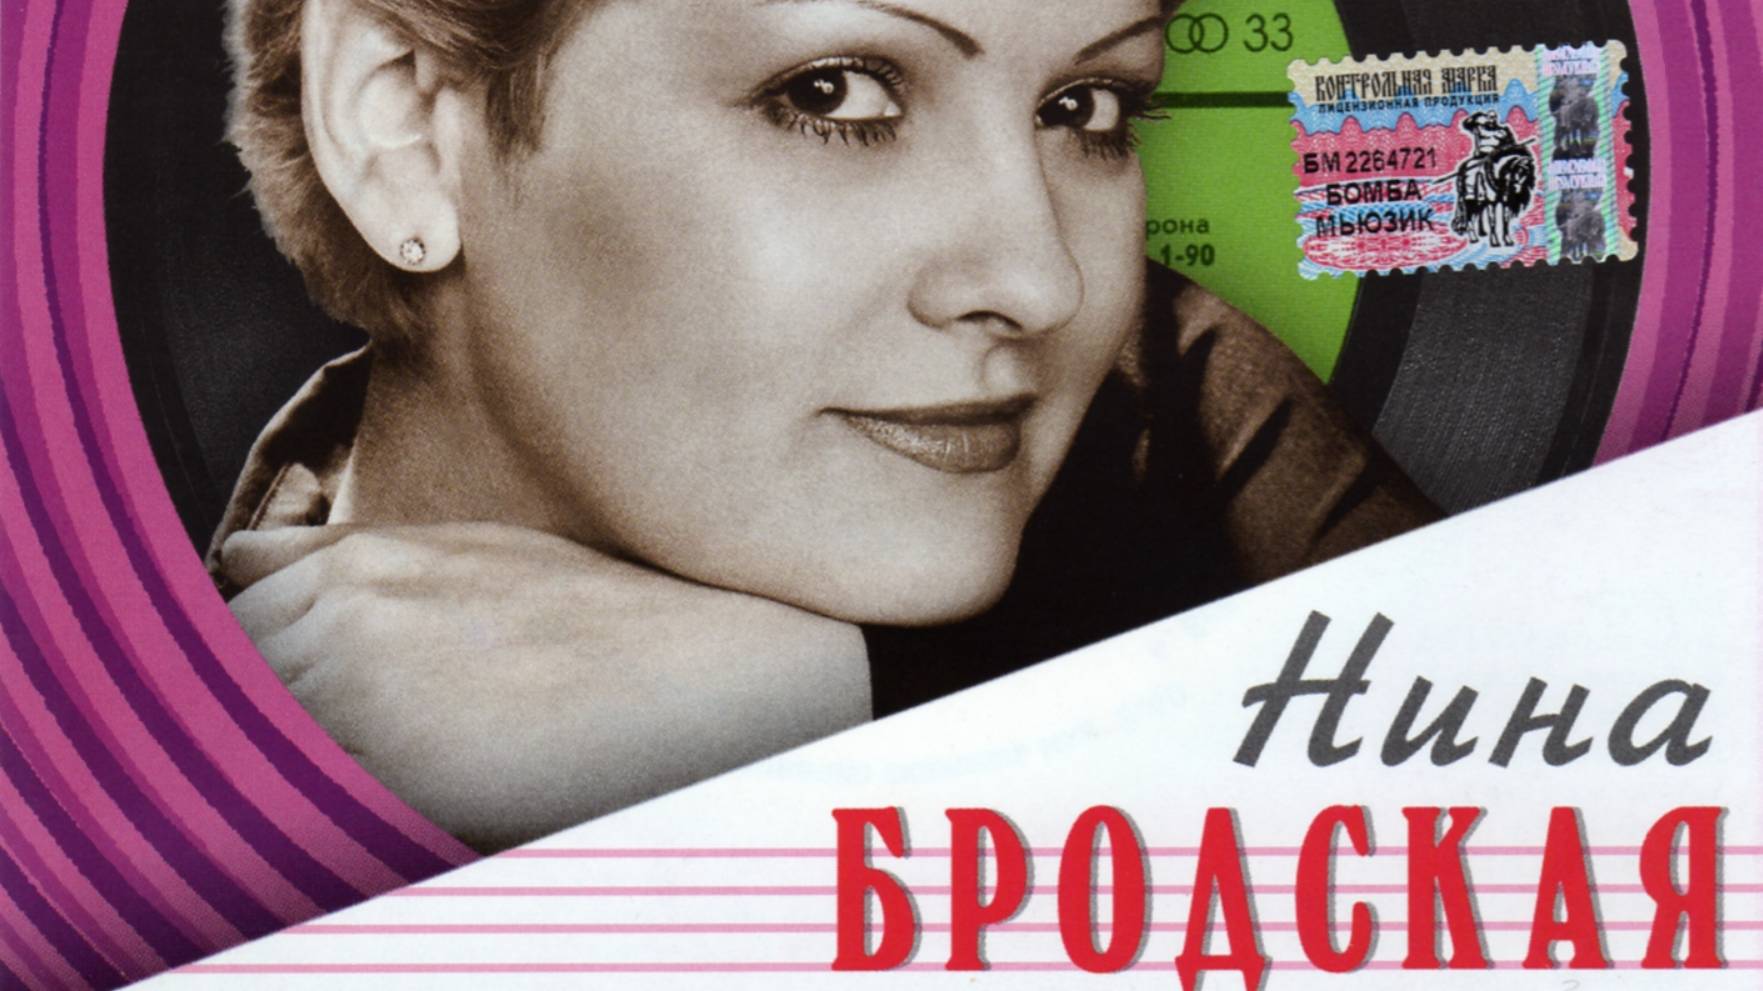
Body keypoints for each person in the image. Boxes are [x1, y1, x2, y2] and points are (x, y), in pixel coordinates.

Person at [214, 0, 1438, 851]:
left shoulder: (1174, 396)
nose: (1041, 281)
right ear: (405, 129)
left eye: (1085, 107)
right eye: (834, 93)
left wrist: (847, 701)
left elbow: (1529, 803)